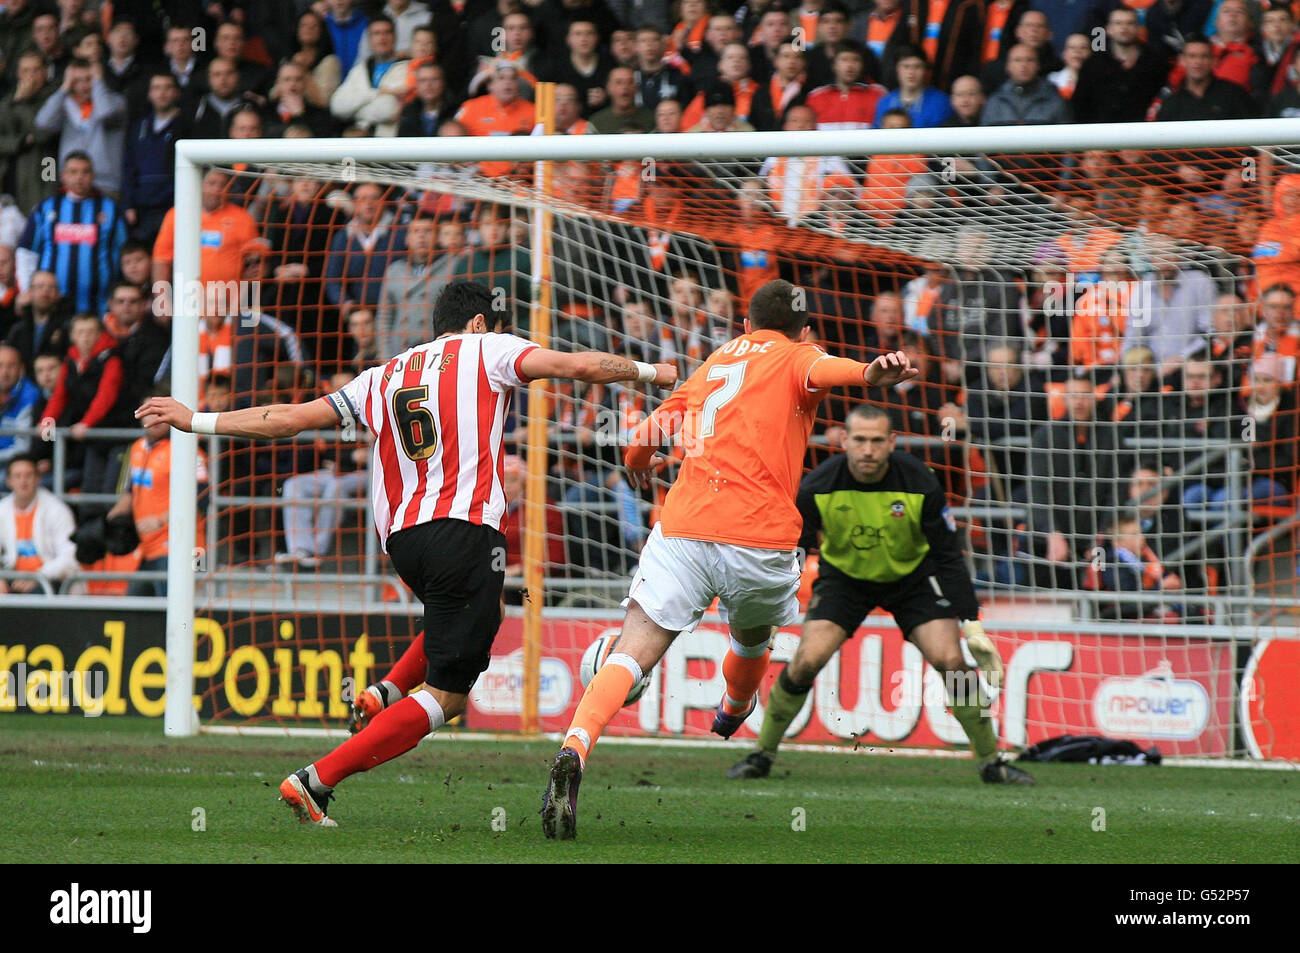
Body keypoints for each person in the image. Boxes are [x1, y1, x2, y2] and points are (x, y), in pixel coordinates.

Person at [134, 281, 679, 827]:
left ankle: (383, 690)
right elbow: (578, 367)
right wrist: (653, 374)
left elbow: (290, 418)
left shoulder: (383, 375)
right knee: (447, 698)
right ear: (480, 324)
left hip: (403, 543)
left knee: (482, 612)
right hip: (463, 533)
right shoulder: (490, 349)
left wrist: (195, 420)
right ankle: (315, 781)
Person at [538, 279, 920, 840]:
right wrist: (870, 374)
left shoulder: (713, 362)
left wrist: (645, 463)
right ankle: (735, 707)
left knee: (634, 647)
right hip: (757, 539)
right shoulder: (799, 355)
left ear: (744, 326)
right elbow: (829, 371)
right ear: (804, 330)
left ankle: (576, 745)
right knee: (751, 635)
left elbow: (639, 443)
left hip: (685, 526)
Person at [727, 403, 1029, 784]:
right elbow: (794, 553)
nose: (867, 450)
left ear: (891, 442)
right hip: (844, 582)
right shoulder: (819, 486)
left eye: (875, 441)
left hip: (913, 582)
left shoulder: (920, 482)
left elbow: (948, 557)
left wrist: (971, 623)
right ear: (843, 441)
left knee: (953, 663)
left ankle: (991, 762)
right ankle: (762, 755)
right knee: (805, 662)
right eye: (859, 440)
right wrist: (771, 609)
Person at [0, 453, 77, 594]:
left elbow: (69, 556)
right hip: (13, 577)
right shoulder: (2, 509)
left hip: (50, 578)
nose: (23, 481)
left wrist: (39, 576)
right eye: (17, 476)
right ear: (8, 481)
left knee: (37, 593)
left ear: (38, 478)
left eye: (28, 475)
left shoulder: (57, 509)